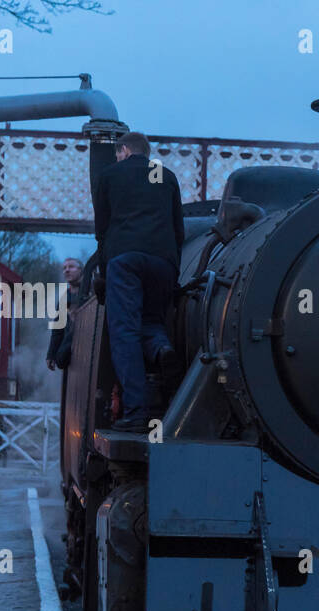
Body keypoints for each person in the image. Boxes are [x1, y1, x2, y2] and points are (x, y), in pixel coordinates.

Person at [93, 131, 184, 431]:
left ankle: (135, 412)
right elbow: (178, 229)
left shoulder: (110, 175)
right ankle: (160, 348)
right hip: (163, 262)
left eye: (119, 153)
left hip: (125, 260)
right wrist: (175, 270)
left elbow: (103, 231)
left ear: (123, 150)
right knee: (151, 322)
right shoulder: (166, 176)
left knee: (125, 332)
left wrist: (104, 272)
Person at [46, 257, 84, 372]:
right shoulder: (63, 299)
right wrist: (51, 355)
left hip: (88, 347)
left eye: (71, 267)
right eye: (64, 268)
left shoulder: (91, 293)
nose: (67, 270)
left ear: (81, 270)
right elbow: (57, 329)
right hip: (70, 354)